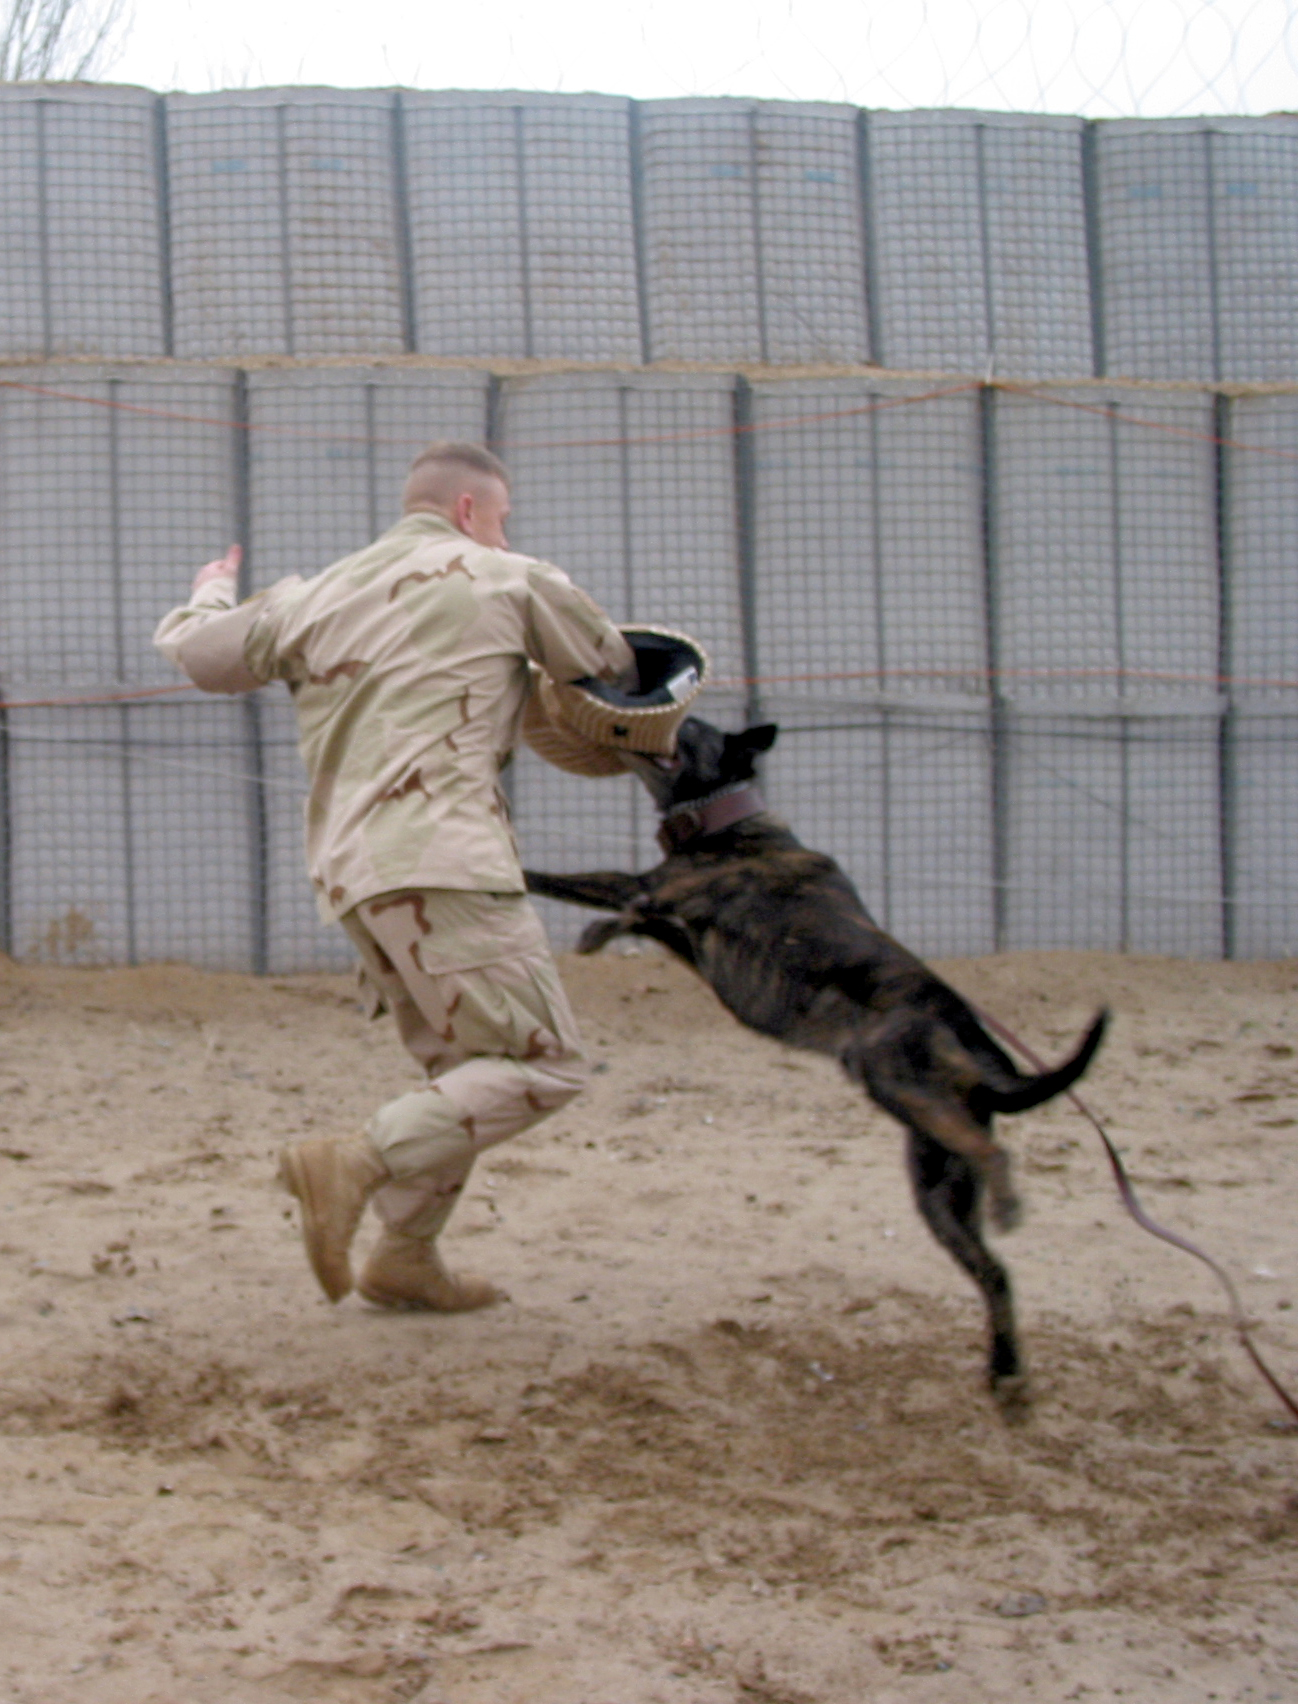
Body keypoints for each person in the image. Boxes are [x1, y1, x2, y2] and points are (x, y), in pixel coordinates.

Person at [154, 442, 633, 1312]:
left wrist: (211, 589)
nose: (503, 531)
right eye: (500, 516)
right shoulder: (508, 575)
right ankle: (353, 1164)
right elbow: (615, 671)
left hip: (351, 875)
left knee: (463, 1069)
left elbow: (197, 655)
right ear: (466, 512)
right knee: (546, 1063)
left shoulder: (312, 595)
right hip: (448, 860)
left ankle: (405, 1258)